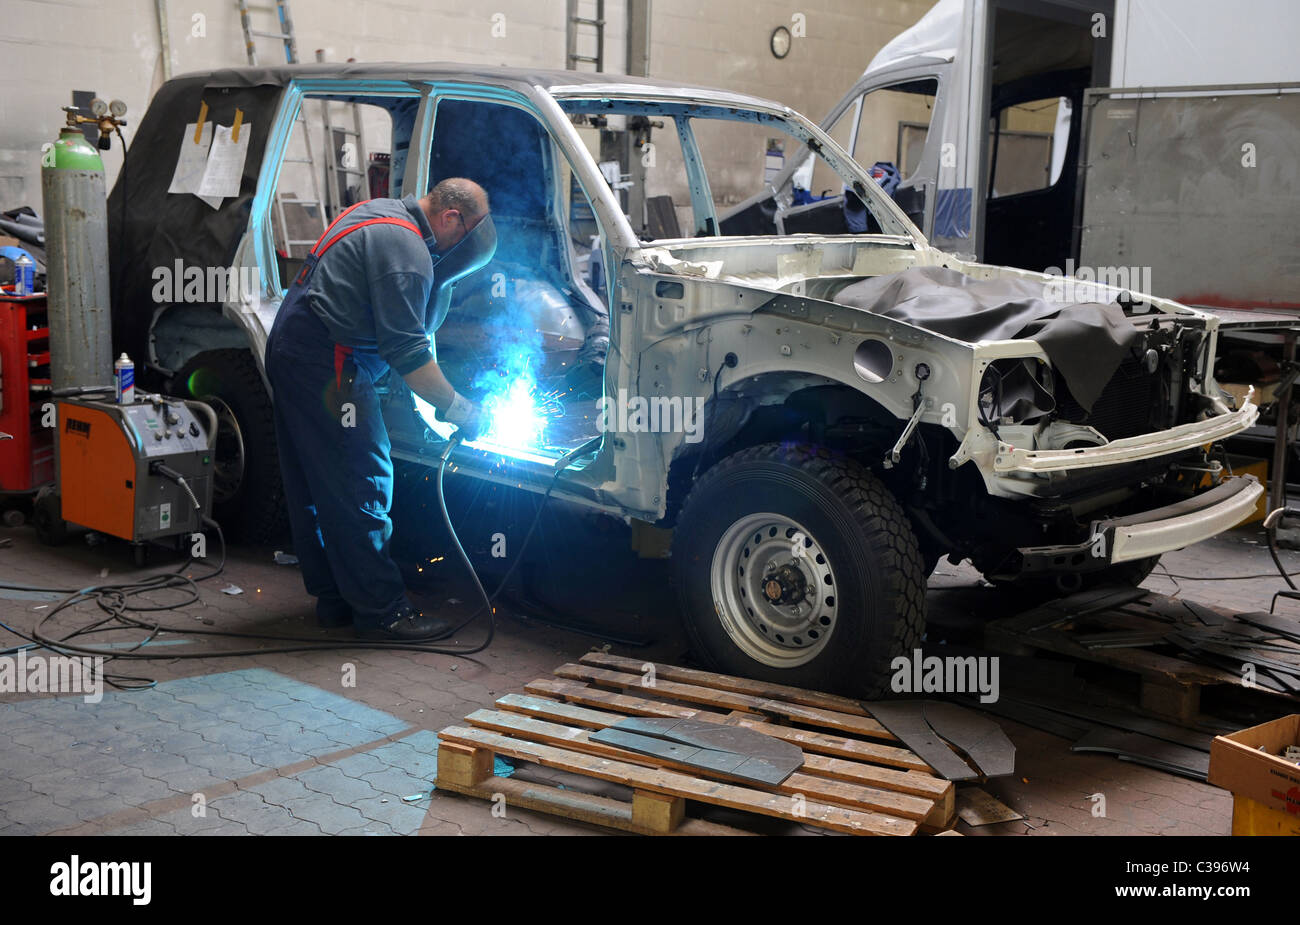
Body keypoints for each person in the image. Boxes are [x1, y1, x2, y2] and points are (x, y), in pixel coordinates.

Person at [265, 177, 497, 640]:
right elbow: (408, 351)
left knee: (318, 483)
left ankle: (336, 599)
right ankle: (382, 613)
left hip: (294, 345)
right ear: (451, 218)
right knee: (361, 477)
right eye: (462, 237)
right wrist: (459, 409)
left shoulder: (383, 211)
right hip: (326, 360)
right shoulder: (407, 253)